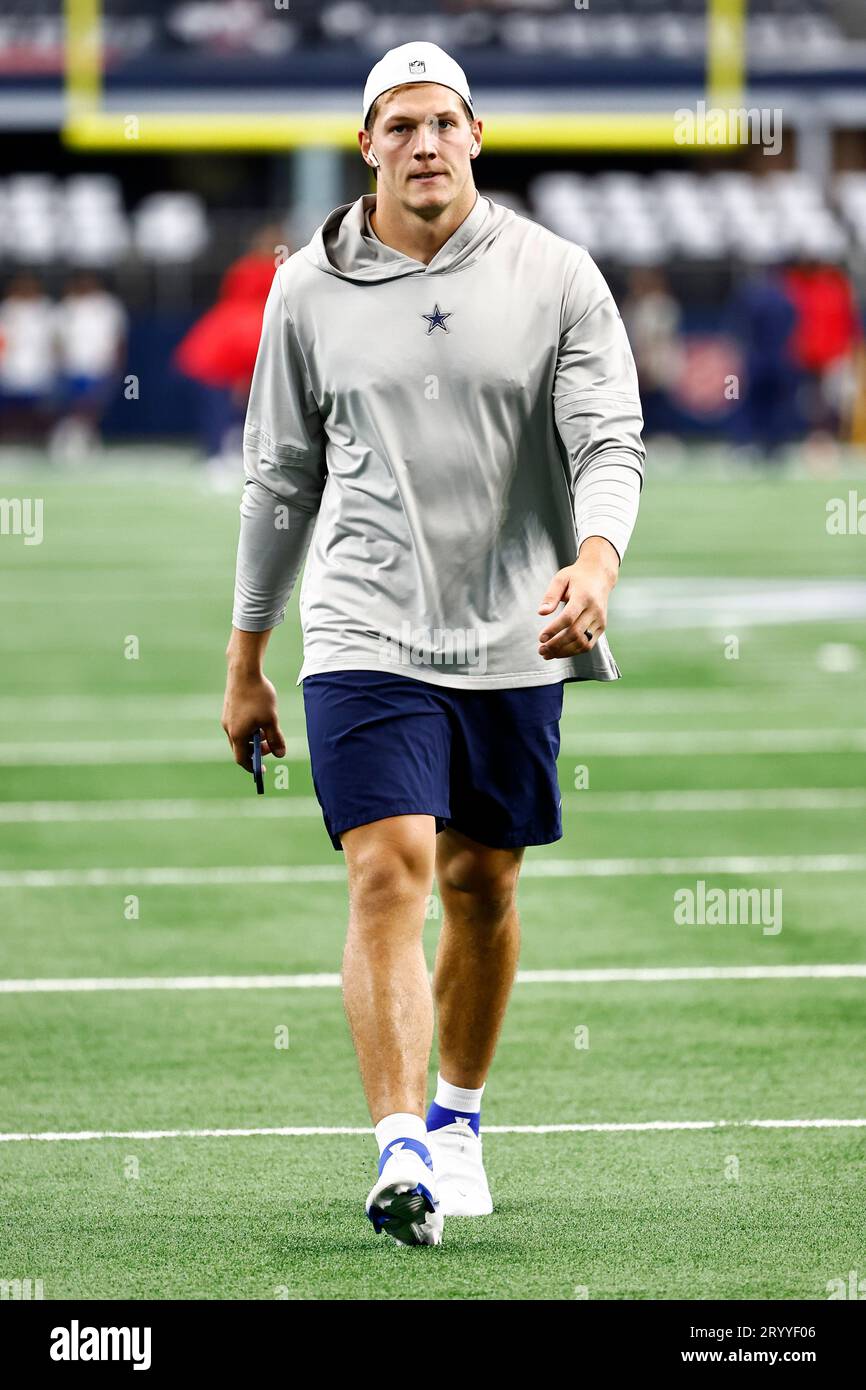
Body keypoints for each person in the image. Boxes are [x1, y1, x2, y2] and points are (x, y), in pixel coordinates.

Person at [221, 41, 645, 1247]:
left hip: (512, 626)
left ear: (475, 137)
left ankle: (458, 1120)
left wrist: (596, 561)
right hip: (360, 624)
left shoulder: (554, 274)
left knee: (481, 880)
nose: (422, 143)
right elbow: (278, 477)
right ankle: (398, 1144)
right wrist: (246, 657)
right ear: (365, 145)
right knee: (387, 864)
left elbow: (609, 440)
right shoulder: (301, 287)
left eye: (442, 122)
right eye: (398, 124)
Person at [174, 226, 283, 488]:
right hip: (223, 348)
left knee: (239, 403)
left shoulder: (260, 275)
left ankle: (227, 451)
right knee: (221, 403)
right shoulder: (254, 279)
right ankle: (216, 455)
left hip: (227, 343)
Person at [50, 272, 127, 461]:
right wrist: (60, 362)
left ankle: (83, 437)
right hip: (74, 365)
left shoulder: (108, 306)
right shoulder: (66, 307)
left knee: (93, 404)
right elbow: (57, 339)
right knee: (77, 404)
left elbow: (118, 337)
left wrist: (116, 362)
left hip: (100, 364)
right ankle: (71, 437)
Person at [0, 273, 57, 441]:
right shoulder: (6, 310)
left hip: (40, 373)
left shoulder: (46, 310)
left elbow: (54, 343)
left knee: (42, 414)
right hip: (10, 372)